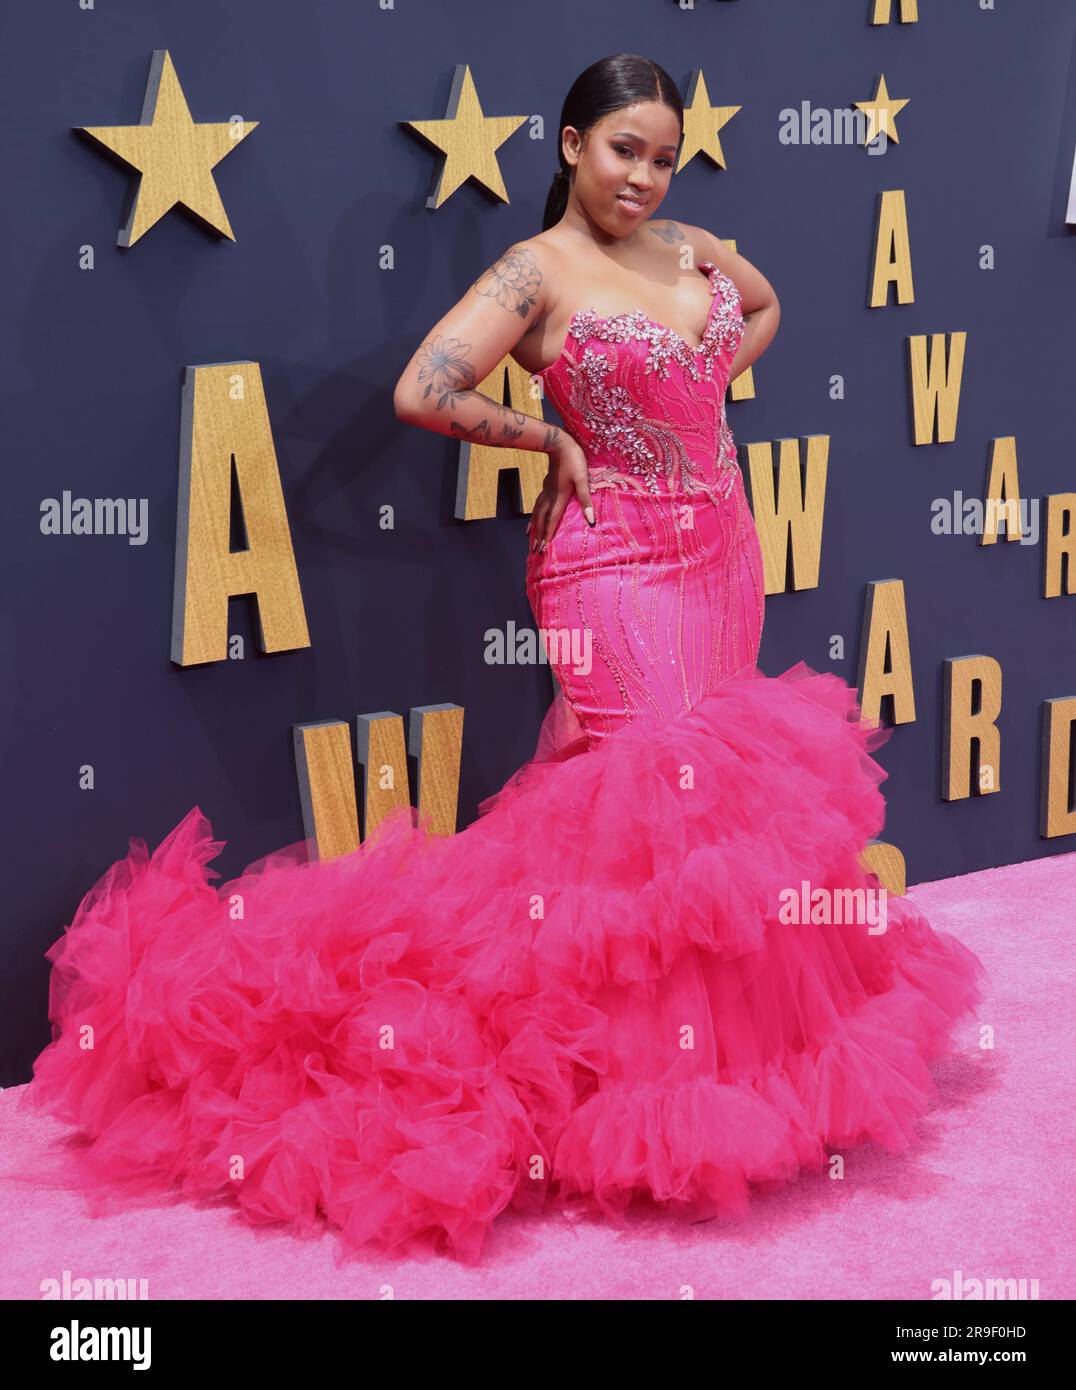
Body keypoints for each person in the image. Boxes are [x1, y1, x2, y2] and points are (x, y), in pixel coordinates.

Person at [11, 53, 987, 1265]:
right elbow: (426, 385)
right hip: (608, 561)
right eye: (622, 148)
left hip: (721, 551)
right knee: (662, 796)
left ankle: (710, 1073)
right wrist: (548, 435)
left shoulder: (687, 247)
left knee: (705, 822)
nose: (642, 173)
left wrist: (700, 393)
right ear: (572, 144)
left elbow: (767, 307)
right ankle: (624, 1106)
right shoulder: (536, 270)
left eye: (660, 154)